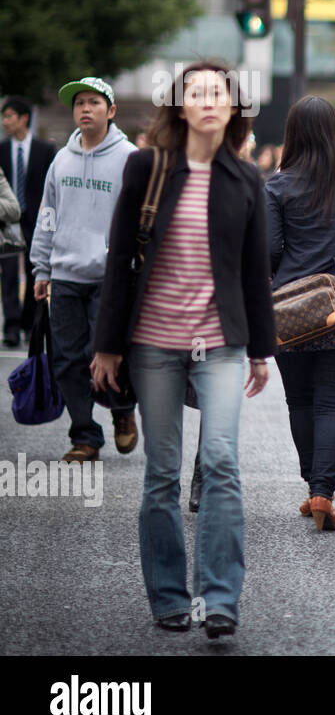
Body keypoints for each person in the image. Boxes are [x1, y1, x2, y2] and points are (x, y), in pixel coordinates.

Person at [90, 61, 274, 639]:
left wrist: (261, 350)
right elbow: (119, 259)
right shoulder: (147, 167)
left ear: (232, 108)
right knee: (162, 473)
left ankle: (220, 599)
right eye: (195, 92)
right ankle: (170, 597)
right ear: (180, 106)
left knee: (220, 462)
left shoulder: (246, 180)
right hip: (152, 344)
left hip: (220, 342)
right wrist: (107, 347)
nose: (208, 101)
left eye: (218, 93)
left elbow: (254, 273)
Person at [266, 96, 335, 531]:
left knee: (300, 401)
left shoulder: (276, 186)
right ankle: (323, 493)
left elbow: (270, 250)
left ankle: (312, 485)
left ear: (292, 134)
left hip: (291, 308)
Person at [30, 77, 138, 462]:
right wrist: (41, 269)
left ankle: (123, 412)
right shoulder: (62, 159)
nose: (85, 110)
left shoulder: (129, 157)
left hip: (111, 278)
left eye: (93, 103)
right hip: (65, 275)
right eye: (79, 104)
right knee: (67, 358)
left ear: (110, 111)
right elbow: (47, 215)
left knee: (108, 352)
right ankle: (85, 436)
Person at [0, 96, 57, 347]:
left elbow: (51, 187)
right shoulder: (1, 149)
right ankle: (11, 327)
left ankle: (28, 323)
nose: (4, 121)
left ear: (24, 118)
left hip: (37, 219)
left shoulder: (45, 150)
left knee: (36, 272)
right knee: (9, 273)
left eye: (9, 116)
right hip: (8, 220)